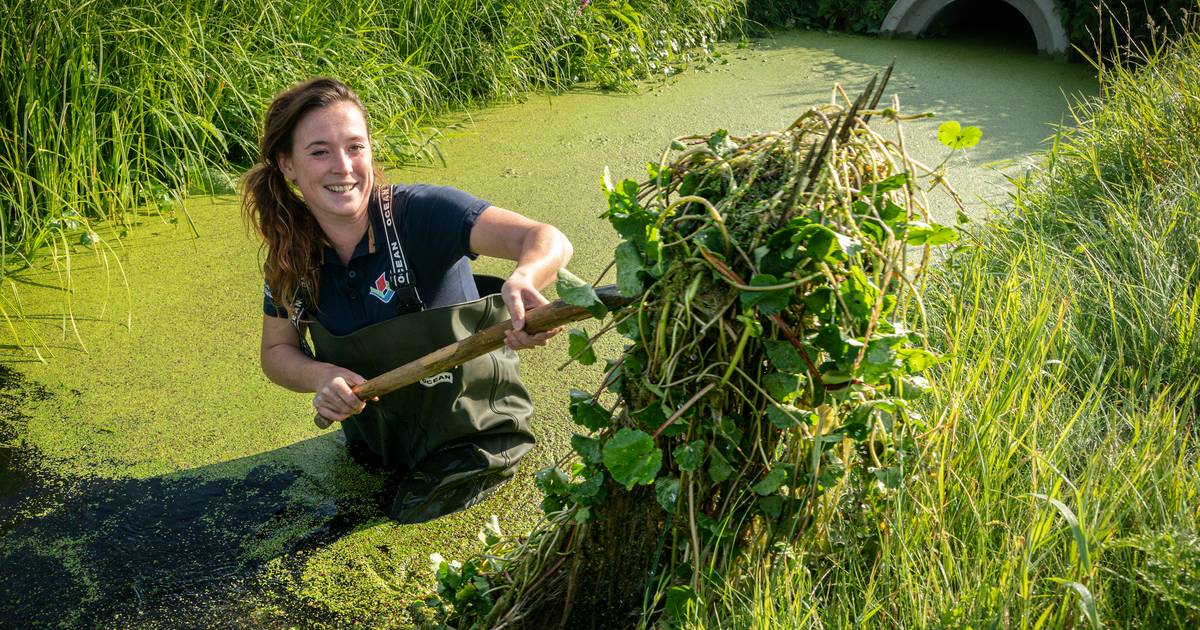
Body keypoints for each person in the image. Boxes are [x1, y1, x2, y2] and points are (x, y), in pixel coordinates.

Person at [242, 77, 573, 523]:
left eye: (355, 147)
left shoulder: (423, 213)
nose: (343, 166)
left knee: (405, 524)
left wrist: (524, 278)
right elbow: (276, 351)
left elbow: (547, 238)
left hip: (478, 442)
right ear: (287, 165)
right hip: (375, 449)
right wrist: (320, 375)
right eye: (320, 152)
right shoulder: (289, 256)